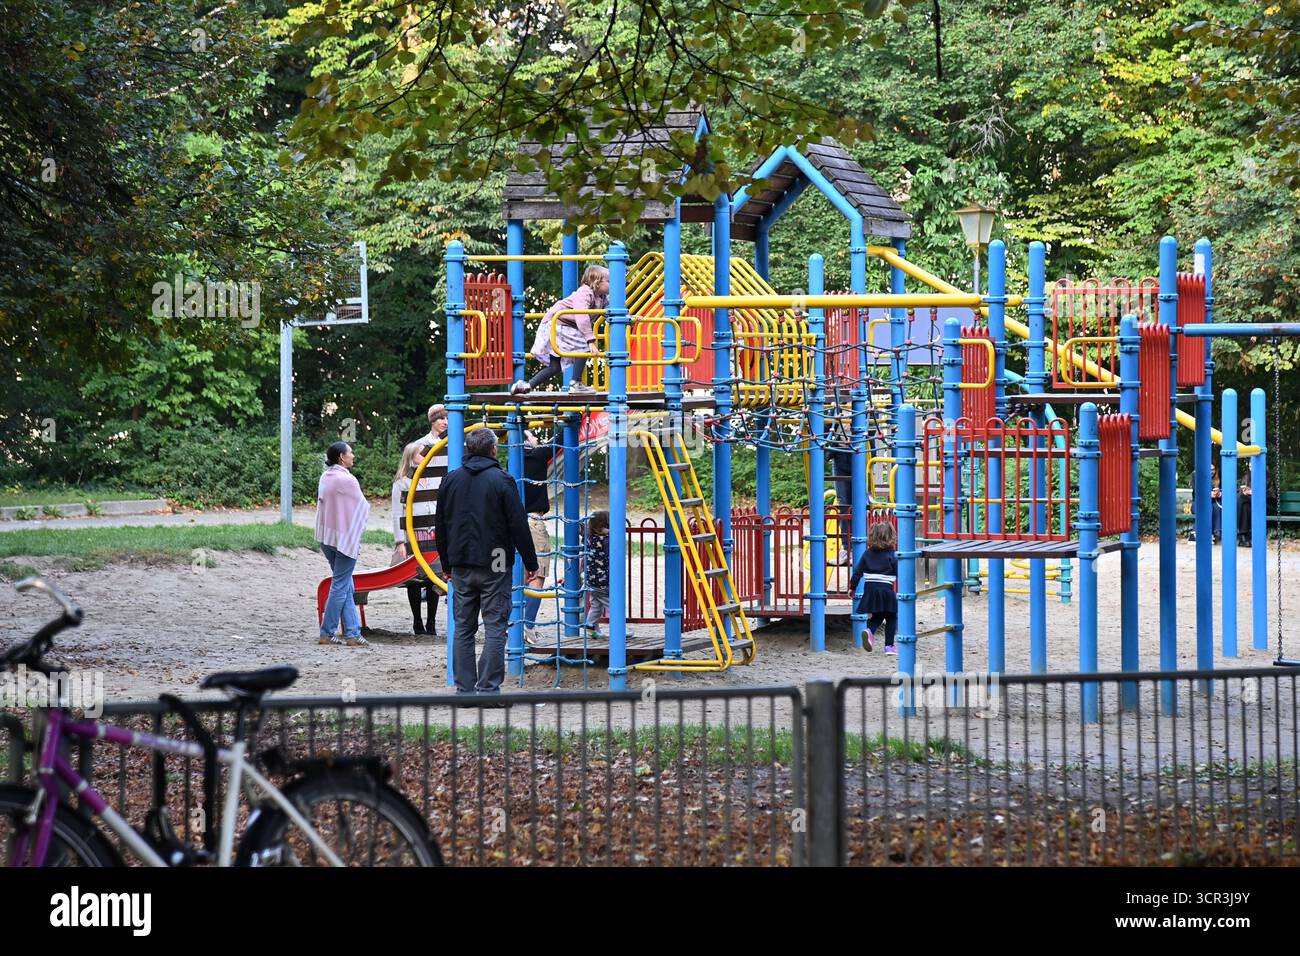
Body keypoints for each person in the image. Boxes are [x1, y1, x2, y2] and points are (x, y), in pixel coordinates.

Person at [435, 428, 538, 695]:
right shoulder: (502, 480)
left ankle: (464, 689)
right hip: (496, 561)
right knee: (495, 626)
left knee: (463, 628)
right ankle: (489, 688)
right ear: (493, 450)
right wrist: (531, 562)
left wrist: (446, 564)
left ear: (468, 450)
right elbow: (518, 524)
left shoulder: (450, 480)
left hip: (461, 562)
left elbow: (441, 526)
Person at [510, 266, 609, 395]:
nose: (612, 284)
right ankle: (576, 383)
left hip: (562, 327)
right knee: (584, 346)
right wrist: (590, 340)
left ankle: (526, 385)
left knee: (554, 367)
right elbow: (582, 316)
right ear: (595, 282)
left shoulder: (602, 297)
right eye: (608, 281)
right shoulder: (585, 293)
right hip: (559, 325)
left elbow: (612, 311)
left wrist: (628, 317)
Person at [315, 441, 371, 647]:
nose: (353, 455)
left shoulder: (326, 476)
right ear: (341, 457)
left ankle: (353, 633)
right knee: (340, 585)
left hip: (327, 537)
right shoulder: (347, 480)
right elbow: (361, 507)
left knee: (346, 584)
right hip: (343, 540)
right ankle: (327, 632)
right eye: (350, 453)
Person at [392, 441, 441, 636]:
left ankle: (431, 622)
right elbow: (397, 514)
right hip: (414, 535)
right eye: (422, 455)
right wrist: (400, 542)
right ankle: (417, 621)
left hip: (432, 534)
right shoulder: (402, 483)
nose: (426, 459)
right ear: (411, 458)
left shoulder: (435, 480)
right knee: (413, 579)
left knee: (432, 578)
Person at [521, 428, 563, 639]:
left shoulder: (510, 460)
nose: (536, 438)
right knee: (537, 574)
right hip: (533, 524)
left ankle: (515, 622)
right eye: (531, 435)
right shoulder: (535, 456)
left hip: (514, 524)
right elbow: (561, 438)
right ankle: (527, 624)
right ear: (527, 442)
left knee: (517, 576)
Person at [849, 521, 898, 654]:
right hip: (886, 590)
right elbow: (898, 572)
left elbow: (857, 572)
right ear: (891, 536)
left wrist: (852, 588)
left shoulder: (867, 554)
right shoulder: (893, 555)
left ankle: (869, 630)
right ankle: (889, 646)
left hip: (870, 589)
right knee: (892, 616)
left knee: (878, 615)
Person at [583, 510, 611, 639]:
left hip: (591, 580)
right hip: (603, 581)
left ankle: (589, 625)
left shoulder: (590, 539)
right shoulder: (606, 541)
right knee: (612, 604)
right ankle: (619, 628)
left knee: (596, 605)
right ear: (601, 528)